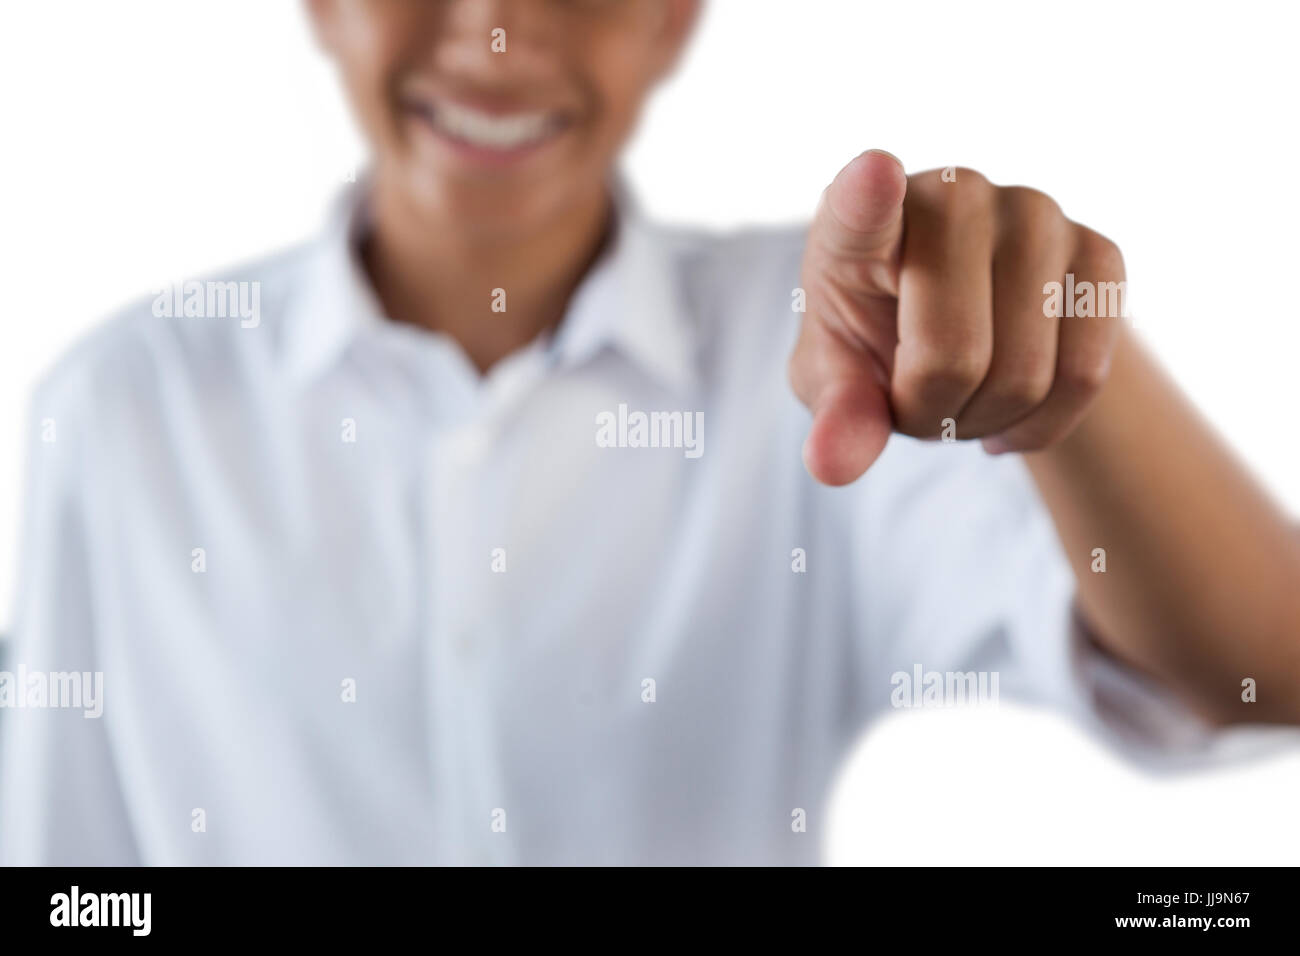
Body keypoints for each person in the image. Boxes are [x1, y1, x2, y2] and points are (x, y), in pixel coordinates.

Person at [1, 0, 1296, 866]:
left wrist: (1071, 385)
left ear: (678, 15)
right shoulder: (122, 411)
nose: (499, 41)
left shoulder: (821, 350)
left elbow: (1257, 676)